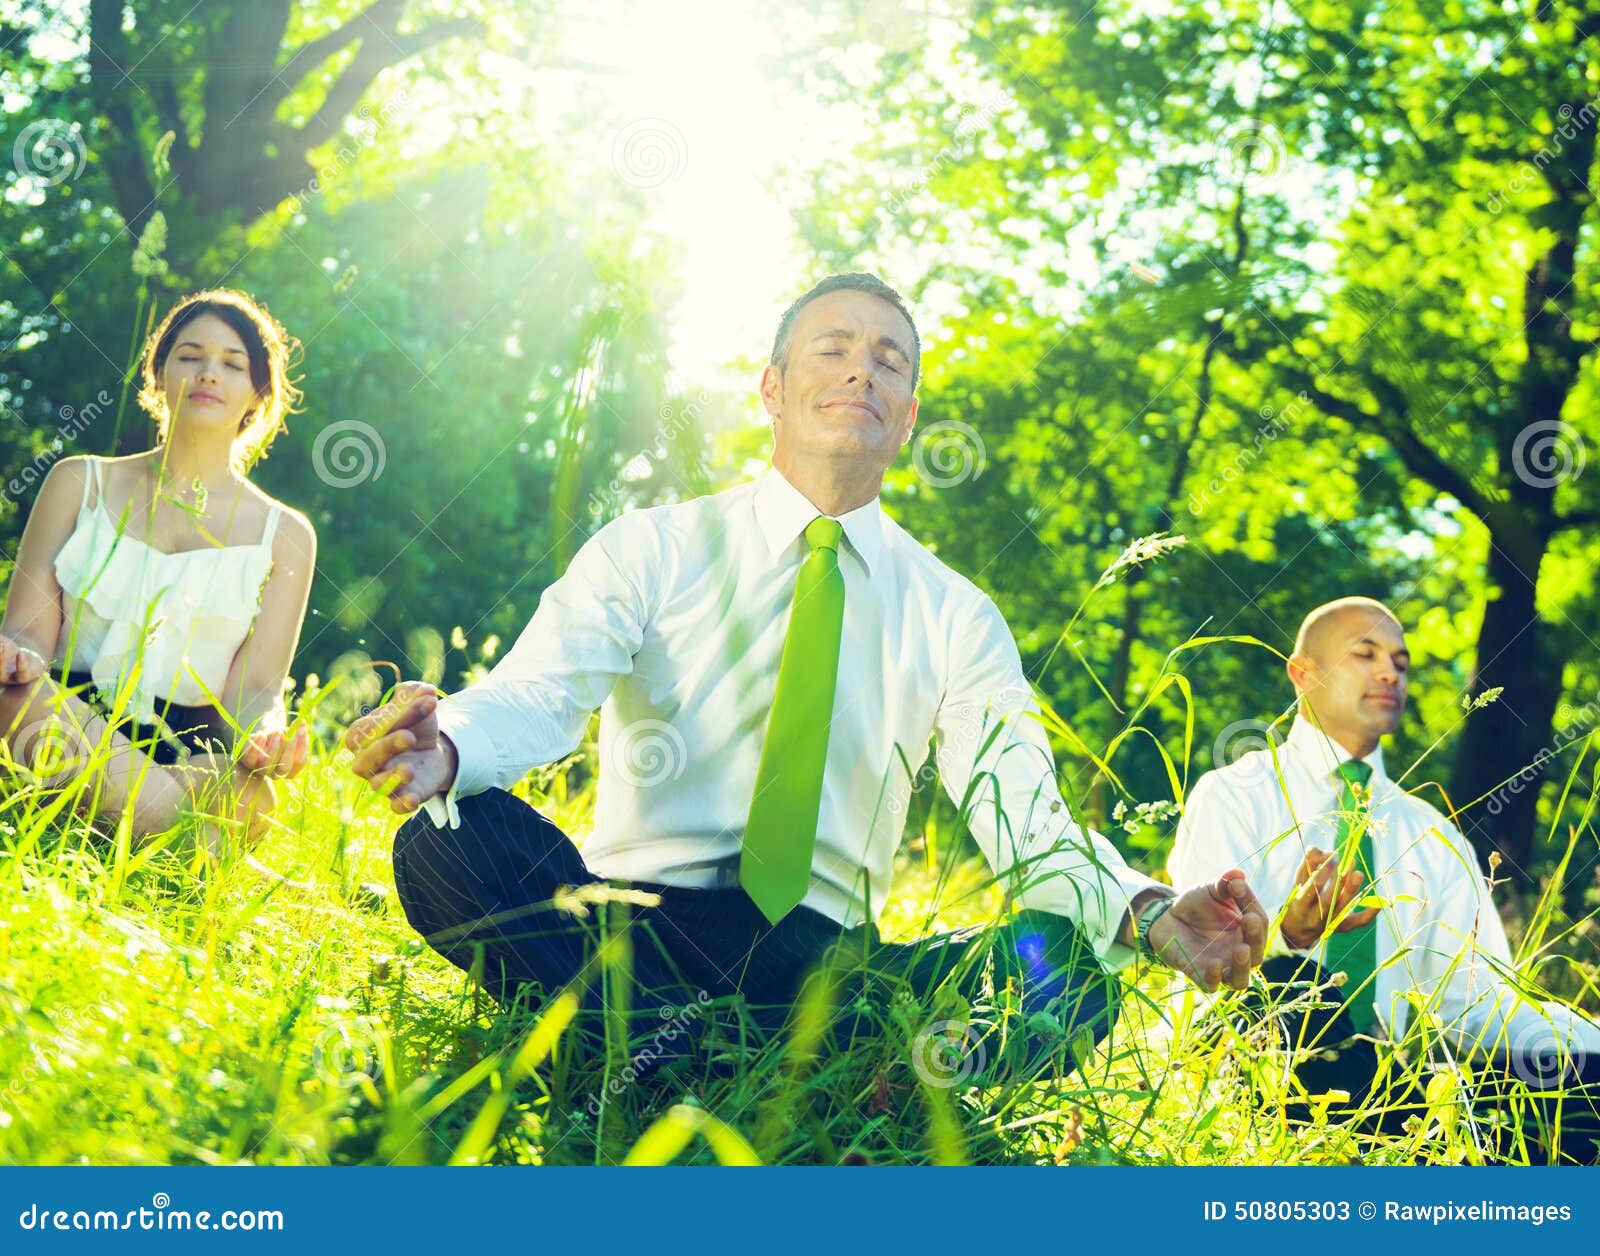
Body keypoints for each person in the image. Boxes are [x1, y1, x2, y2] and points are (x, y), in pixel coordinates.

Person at [345, 273, 1268, 1081]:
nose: (863, 370)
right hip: (632, 928)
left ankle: (667, 1060)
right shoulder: (653, 547)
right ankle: (760, 1074)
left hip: (832, 971)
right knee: (445, 841)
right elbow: (543, 691)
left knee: (1070, 969)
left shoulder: (955, 613)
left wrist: (1152, 912)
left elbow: (1024, 819)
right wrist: (451, 743)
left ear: (908, 418)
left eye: (889, 362)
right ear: (773, 390)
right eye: (834, 349)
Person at [1169, 595, 1600, 1162]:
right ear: (1302, 673)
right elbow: (1200, 961)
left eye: (1400, 662)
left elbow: (1478, 1001)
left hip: (1394, 1092)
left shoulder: (1433, 833)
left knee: (1574, 1086)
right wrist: (1287, 938)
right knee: (1293, 987)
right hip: (1250, 1065)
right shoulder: (1233, 794)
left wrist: (1588, 1047)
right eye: (1364, 653)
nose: (1389, 673)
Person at [0, 288, 317, 858]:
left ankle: (99, 814)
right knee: (8, 698)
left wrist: (265, 736)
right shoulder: (78, 482)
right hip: (62, 715)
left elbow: (257, 690)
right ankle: (183, 841)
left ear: (258, 392)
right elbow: (26, 634)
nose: (208, 373)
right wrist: (15, 655)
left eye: (232, 364)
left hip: (183, 747)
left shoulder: (286, 534)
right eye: (190, 356)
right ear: (158, 372)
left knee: (255, 796)